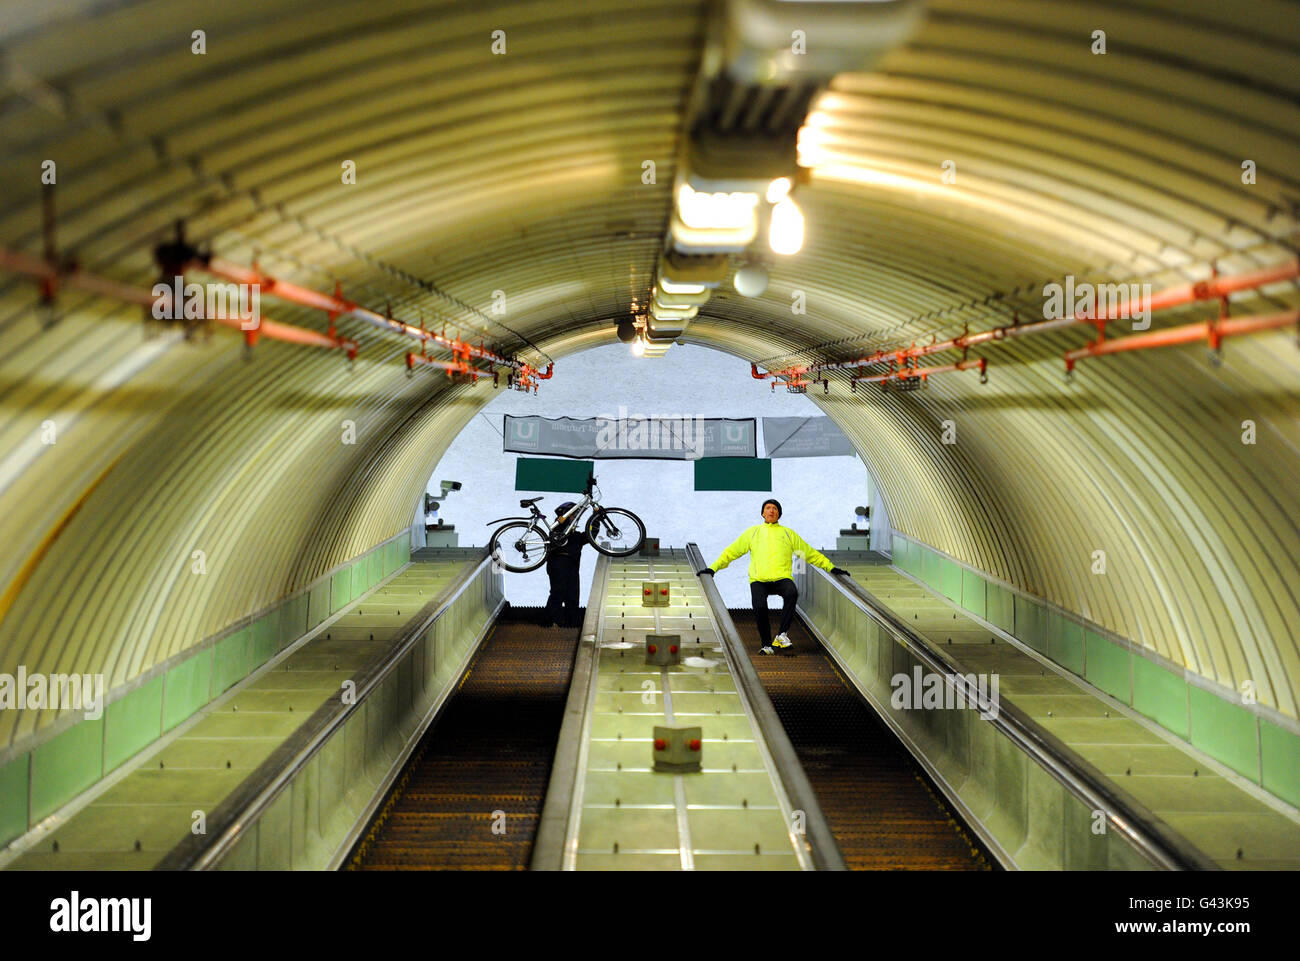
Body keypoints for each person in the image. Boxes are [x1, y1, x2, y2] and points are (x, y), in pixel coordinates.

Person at [697, 498, 850, 654]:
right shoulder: (753, 532)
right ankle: (766, 646)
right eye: (768, 508)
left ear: (779, 514)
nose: (771, 510)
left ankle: (781, 635)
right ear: (763, 513)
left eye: (775, 508)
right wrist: (713, 568)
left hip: (782, 578)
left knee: (792, 593)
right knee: (760, 608)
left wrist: (831, 567)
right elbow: (731, 552)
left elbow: (809, 553)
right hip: (759, 580)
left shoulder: (788, 533)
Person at [542, 501, 589, 628]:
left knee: (573, 593)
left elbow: (590, 535)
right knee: (558, 592)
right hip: (558, 563)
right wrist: (564, 519)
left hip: (572, 565)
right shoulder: (557, 531)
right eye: (572, 514)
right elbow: (559, 526)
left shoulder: (577, 536)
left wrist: (596, 521)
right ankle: (549, 621)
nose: (575, 517)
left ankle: (572, 623)